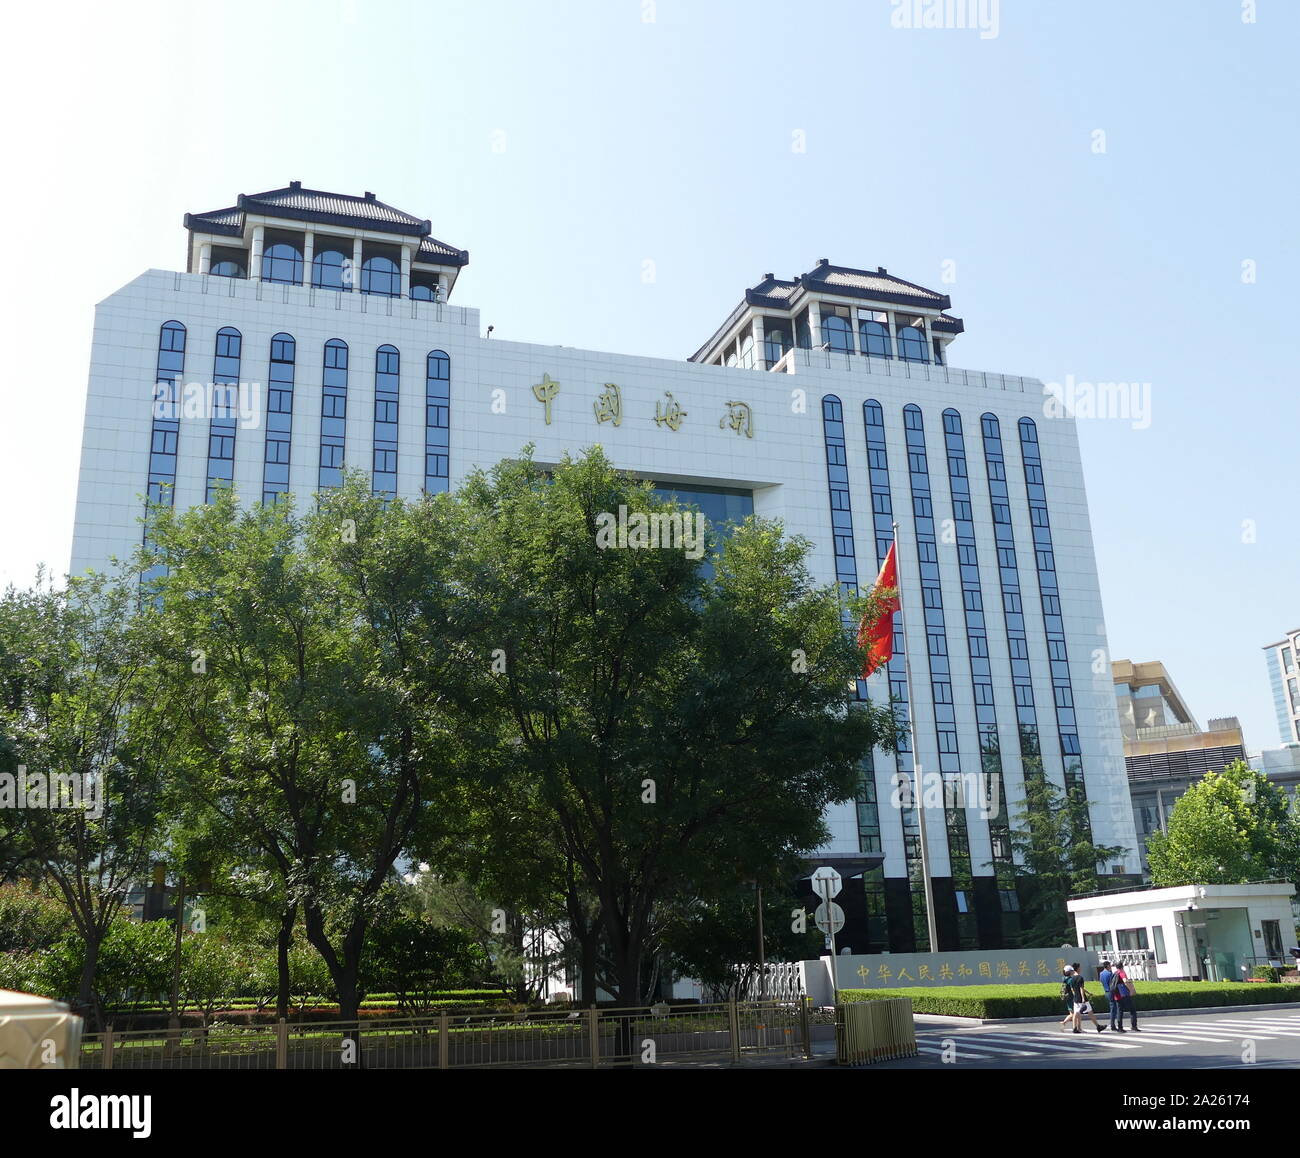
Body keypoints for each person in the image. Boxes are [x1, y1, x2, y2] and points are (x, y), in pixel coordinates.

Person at [1066, 962, 1107, 1034]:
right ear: (1077, 969)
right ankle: (1098, 1027)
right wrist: (1083, 998)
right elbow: (1081, 989)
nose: (1080, 969)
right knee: (1090, 1012)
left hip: (1075, 998)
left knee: (1076, 1012)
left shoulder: (1072, 979)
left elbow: (1073, 989)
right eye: (1080, 967)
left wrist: (1086, 993)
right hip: (1082, 999)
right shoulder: (1080, 977)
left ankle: (1074, 1028)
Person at [1111, 962, 1140, 1032]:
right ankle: (1134, 1026)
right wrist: (1131, 990)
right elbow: (1125, 981)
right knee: (1132, 1010)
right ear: (1122, 967)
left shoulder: (1115, 973)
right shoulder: (1122, 973)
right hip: (1124, 995)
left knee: (1120, 1011)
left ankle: (1120, 1027)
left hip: (1117, 995)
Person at [1098, 960, 1120, 1031]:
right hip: (1111, 992)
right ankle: (1112, 1025)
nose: (1110, 966)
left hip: (1106, 991)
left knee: (1112, 1008)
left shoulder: (1101, 974)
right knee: (1113, 1009)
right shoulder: (1110, 973)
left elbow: (1101, 982)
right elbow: (1113, 983)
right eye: (1110, 965)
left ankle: (1113, 1025)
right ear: (1107, 966)